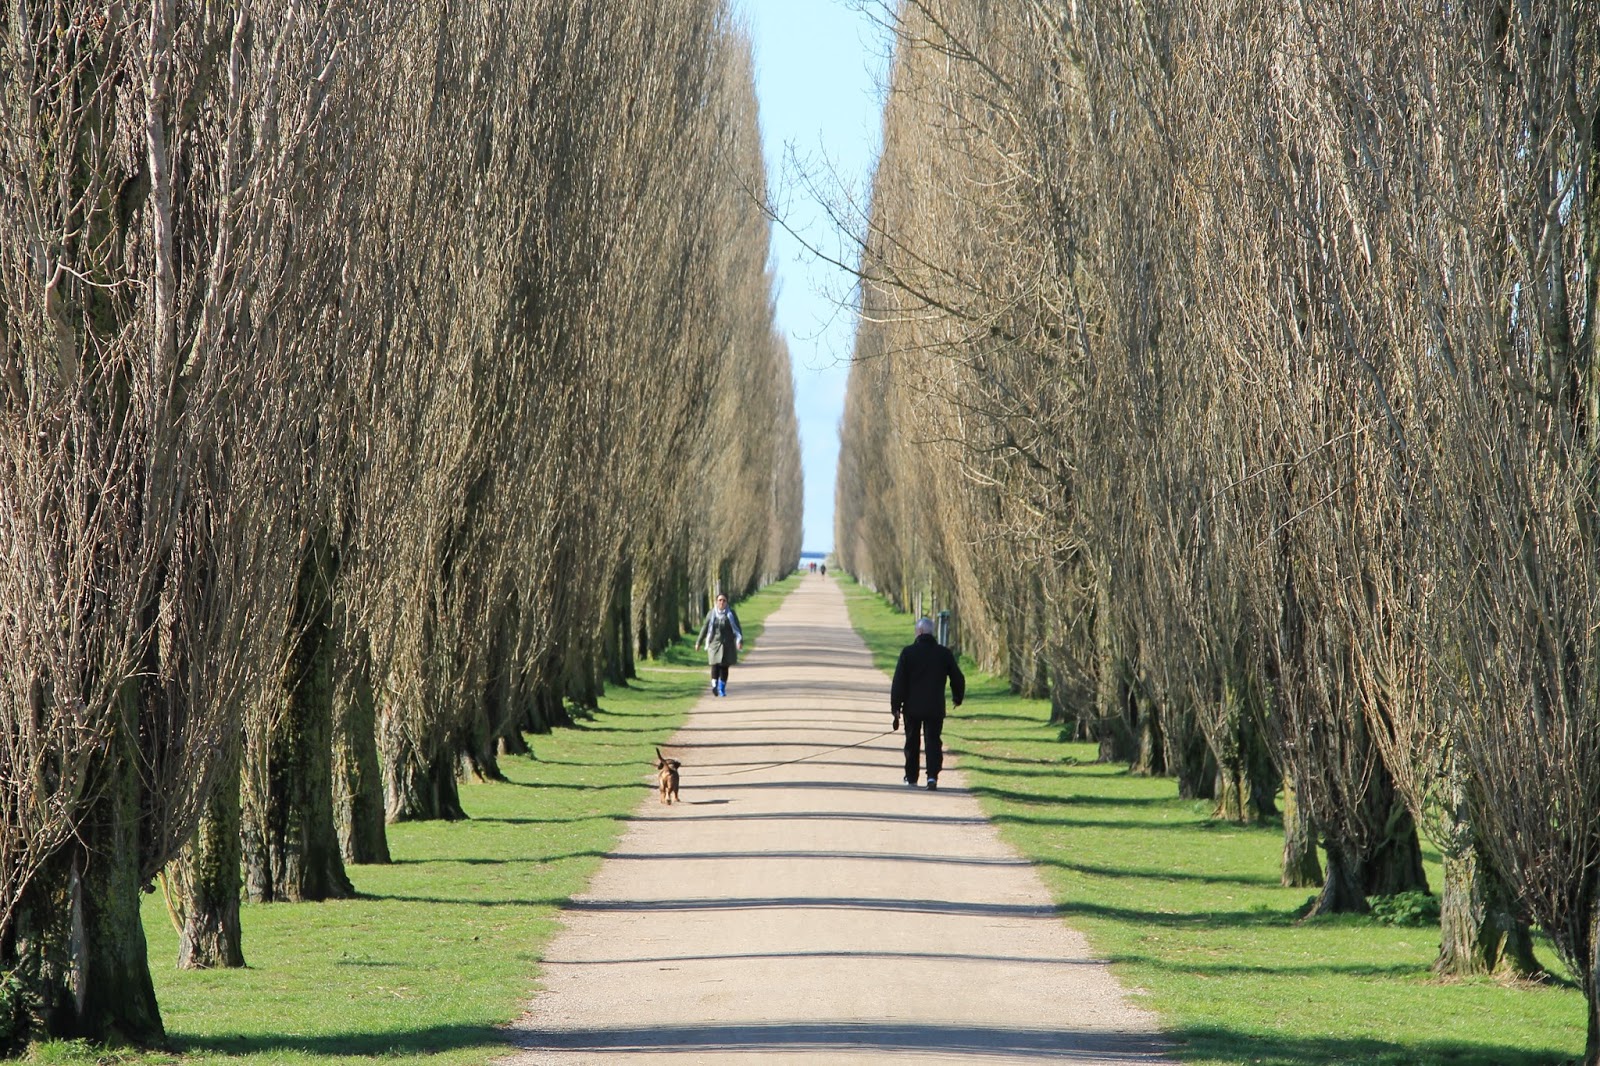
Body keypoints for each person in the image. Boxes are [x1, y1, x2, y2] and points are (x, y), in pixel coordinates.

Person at [890, 616, 964, 789]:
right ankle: (932, 776)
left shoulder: (908, 653)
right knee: (933, 741)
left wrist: (896, 707)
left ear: (920, 632)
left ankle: (911, 776)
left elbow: (899, 682)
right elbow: (958, 678)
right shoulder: (944, 654)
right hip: (935, 707)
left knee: (911, 741)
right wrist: (957, 697)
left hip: (912, 708)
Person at [693, 593, 743, 697]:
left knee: (724, 667)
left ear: (727, 602)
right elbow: (705, 628)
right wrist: (699, 642)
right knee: (714, 665)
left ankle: (722, 688)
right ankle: (714, 686)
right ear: (716, 602)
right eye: (720, 600)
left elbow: (737, 629)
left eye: (724, 600)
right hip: (714, 644)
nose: (722, 602)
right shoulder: (711, 614)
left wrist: (739, 641)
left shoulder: (731, 614)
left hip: (727, 645)